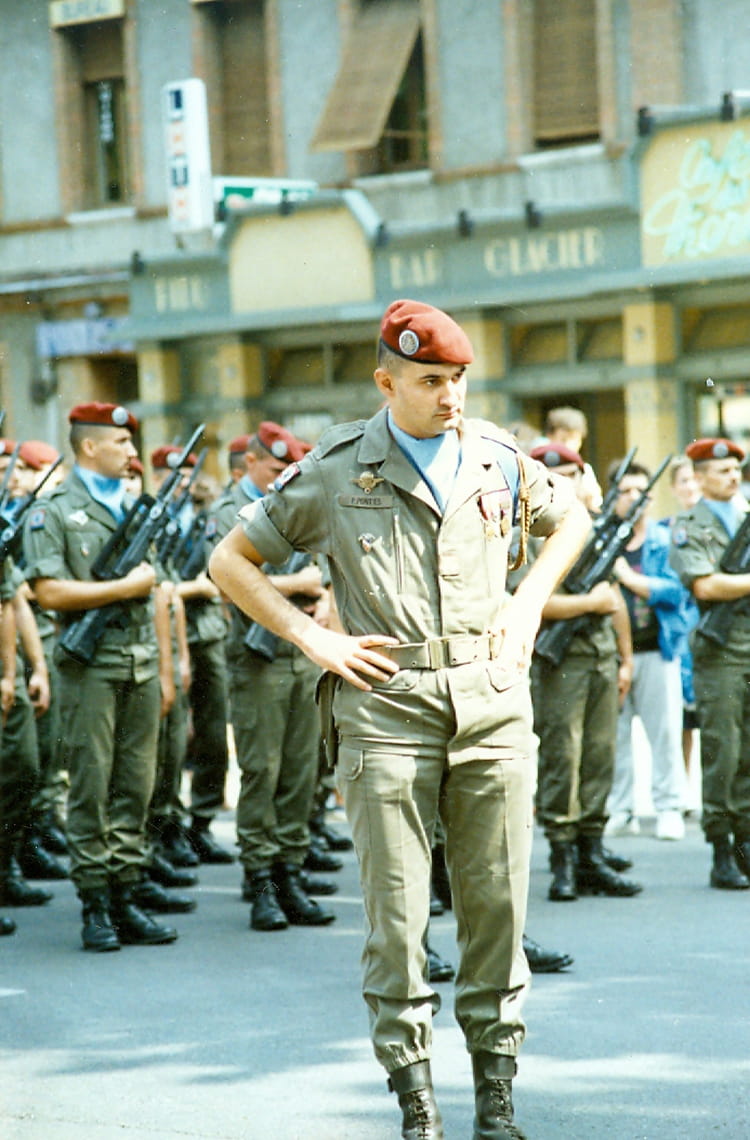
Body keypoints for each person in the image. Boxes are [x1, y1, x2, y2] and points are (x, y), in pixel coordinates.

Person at [209, 299, 591, 1140]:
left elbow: (573, 521)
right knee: (398, 914)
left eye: (457, 378)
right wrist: (310, 635)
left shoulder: (498, 458)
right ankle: (416, 1095)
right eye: (429, 380)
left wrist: (529, 604)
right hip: (386, 709)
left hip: (490, 704)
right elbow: (229, 559)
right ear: (387, 382)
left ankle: (496, 1093)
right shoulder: (338, 466)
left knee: (496, 908)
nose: (449, 395)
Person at [23, 402, 180, 951]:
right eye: (121, 443)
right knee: (92, 784)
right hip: (88, 667)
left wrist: (165, 669)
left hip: (138, 661)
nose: (133, 453)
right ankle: (95, 902)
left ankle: (125, 893)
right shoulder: (56, 511)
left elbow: (157, 592)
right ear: (89, 446)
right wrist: (122, 588)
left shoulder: (137, 506)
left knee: (135, 786)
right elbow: (48, 592)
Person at [209, 423, 337, 931]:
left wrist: (321, 594)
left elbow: (324, 569)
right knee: (262, 769)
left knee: (300, 770)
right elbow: (223, 577)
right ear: (250, 465)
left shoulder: (295, 505)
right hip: (257, 656)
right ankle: (260, 877)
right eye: (272, 467)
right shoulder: (229, 514)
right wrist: (297, 583)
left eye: (286, 469)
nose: (279, 476)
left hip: (300, 651)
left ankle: (290, 871)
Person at [524, 442, 640, 901]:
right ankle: (563, 857)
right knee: (562, 755)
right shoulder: (529, 536)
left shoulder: (592, 530)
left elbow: (615, 602)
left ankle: (592, 850)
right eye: (556, 476)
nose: (566, 483)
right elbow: (534, 601)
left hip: (599, 654)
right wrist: (589, 603)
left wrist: (626, 658)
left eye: (573, 474)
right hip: (561, 660)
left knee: (599, 754)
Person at [669, 437, 750, 889]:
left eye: (735, 469)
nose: (732, 477)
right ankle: (721, 848)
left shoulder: (746, 516)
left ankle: (746, 842)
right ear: (698, 478)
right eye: (721, 471)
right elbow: (704, 586)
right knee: (722, 747)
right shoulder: (689, 524)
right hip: (719, 651)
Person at [607, 459, 689, 841]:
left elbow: (679, 590)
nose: (632, 498)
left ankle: (669, 806)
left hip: (658, 649)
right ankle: (621, 809)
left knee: (666, 735)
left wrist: (632, 580)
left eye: (639, 490)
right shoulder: (605, 540)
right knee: (615, 738)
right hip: (613, 654)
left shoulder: (666, 537)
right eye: (624, 491)